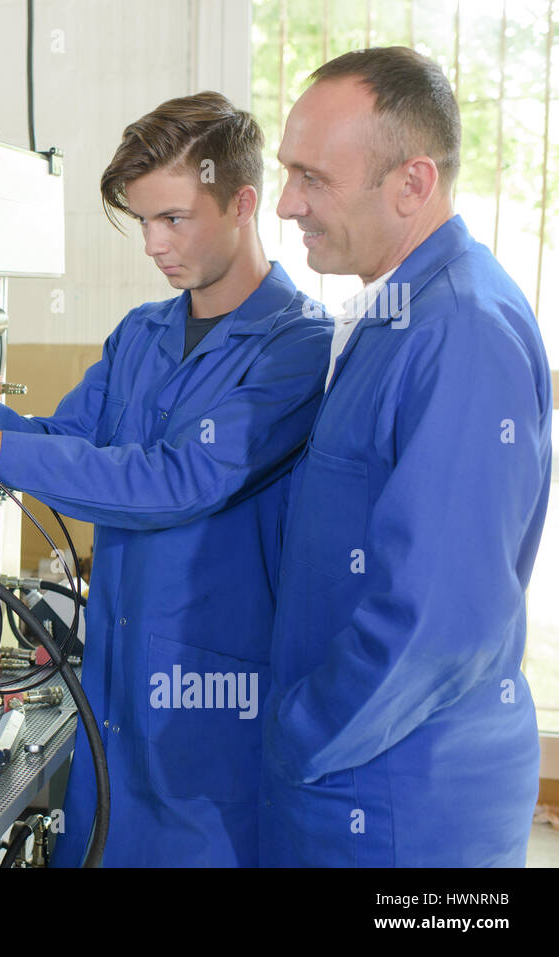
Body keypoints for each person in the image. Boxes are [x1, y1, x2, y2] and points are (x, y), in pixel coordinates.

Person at [0, 92, 331, 866]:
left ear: (243, 203)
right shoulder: (142, 334)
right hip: (111, 700)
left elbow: (173, 483)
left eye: (173, 218)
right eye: (141, 221)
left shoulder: (298, 349)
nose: (152, 244)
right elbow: (66, 443)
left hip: (214, 718)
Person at [264, 47, 552, 866]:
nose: (287, 204)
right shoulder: (398, 312)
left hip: (397, 799)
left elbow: (436, 622)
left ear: (413, 185)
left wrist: (298, 735)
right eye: (288, 173)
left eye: (313, 178)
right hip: (359, 769)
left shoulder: (459, 331)